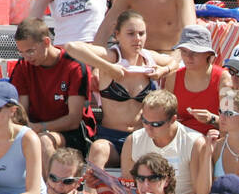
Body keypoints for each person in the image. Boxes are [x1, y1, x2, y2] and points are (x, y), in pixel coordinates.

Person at [66, 11, 170, 170]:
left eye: (141, 33)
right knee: (98, 149)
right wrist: (108, 68)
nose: (137, 39)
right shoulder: (111, 56)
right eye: (131, 34)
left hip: (141, 138)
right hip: (111, 139)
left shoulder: (149, 59)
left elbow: (176, 59)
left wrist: (164, 70)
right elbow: (71, 47)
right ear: (117, 34)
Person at [11, 19, 98, 156]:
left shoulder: (74, 66)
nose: (26, 58)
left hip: (72, 134)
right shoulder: (23, 66)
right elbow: (22, 111)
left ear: (46, 42)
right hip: (35, 130)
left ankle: (49, 178)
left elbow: (74, 120)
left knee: (44, 141)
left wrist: (40, 128)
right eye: (22, 53)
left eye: (30, 51)